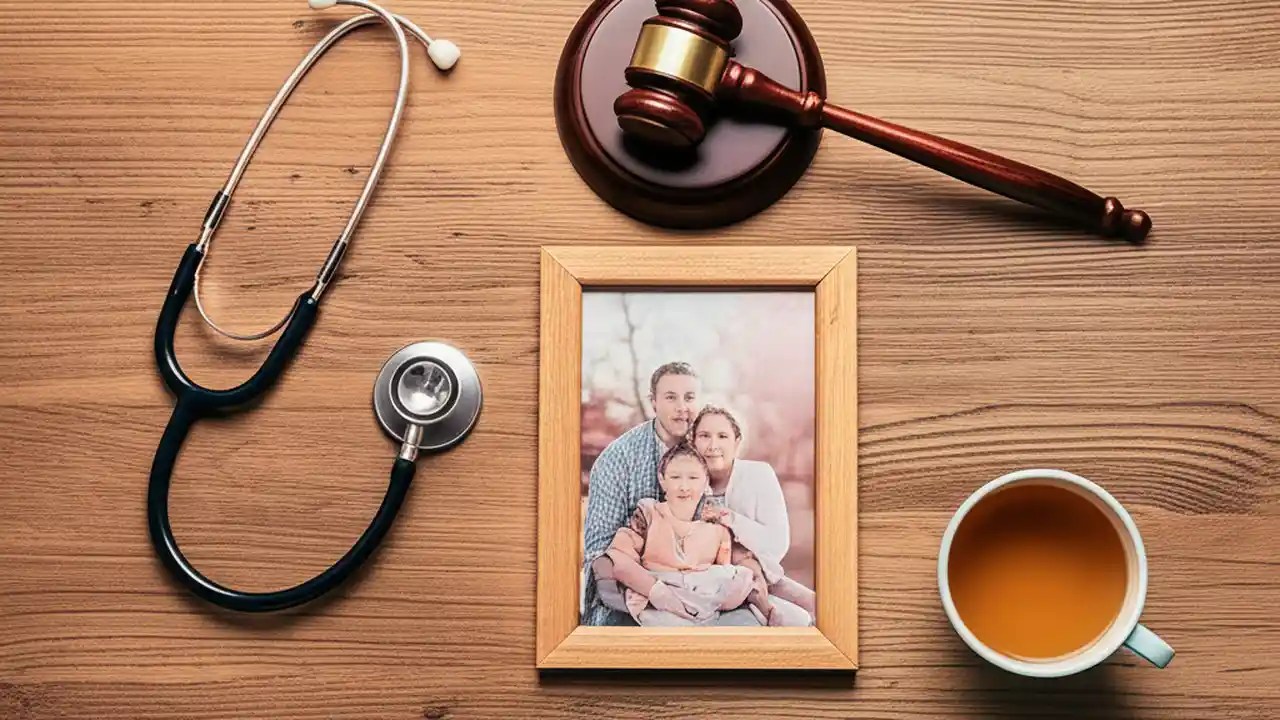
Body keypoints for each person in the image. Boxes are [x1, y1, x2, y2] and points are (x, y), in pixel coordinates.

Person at [580, 361, 700, 626]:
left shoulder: (705, 451)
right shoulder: (618, 459)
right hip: (627, 587)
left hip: (697, 582)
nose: (682, 407)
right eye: (671, 397)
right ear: (654, 402)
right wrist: (653, 591)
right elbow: (599, 554)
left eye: (689, 397)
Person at [604, 444, 762, 626]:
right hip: (658, 601)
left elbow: (723, 574)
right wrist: (658, 592)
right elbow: (620, 561)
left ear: (705, 483)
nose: (684, 486)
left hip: (705, 602)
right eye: (675, 477)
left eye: (693, 478)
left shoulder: (717, 527)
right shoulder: (647, 516)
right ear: (662, 480)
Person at [692, 405, 816, 626]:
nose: (713, 445)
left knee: (816, 612)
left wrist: (731, 519)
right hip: (708, 583)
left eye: (722, 436)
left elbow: (777, 543)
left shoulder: (758, 474)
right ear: (693, 442)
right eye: (704, 436)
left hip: (764, 577)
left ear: (737, 441)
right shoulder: (685, 483)